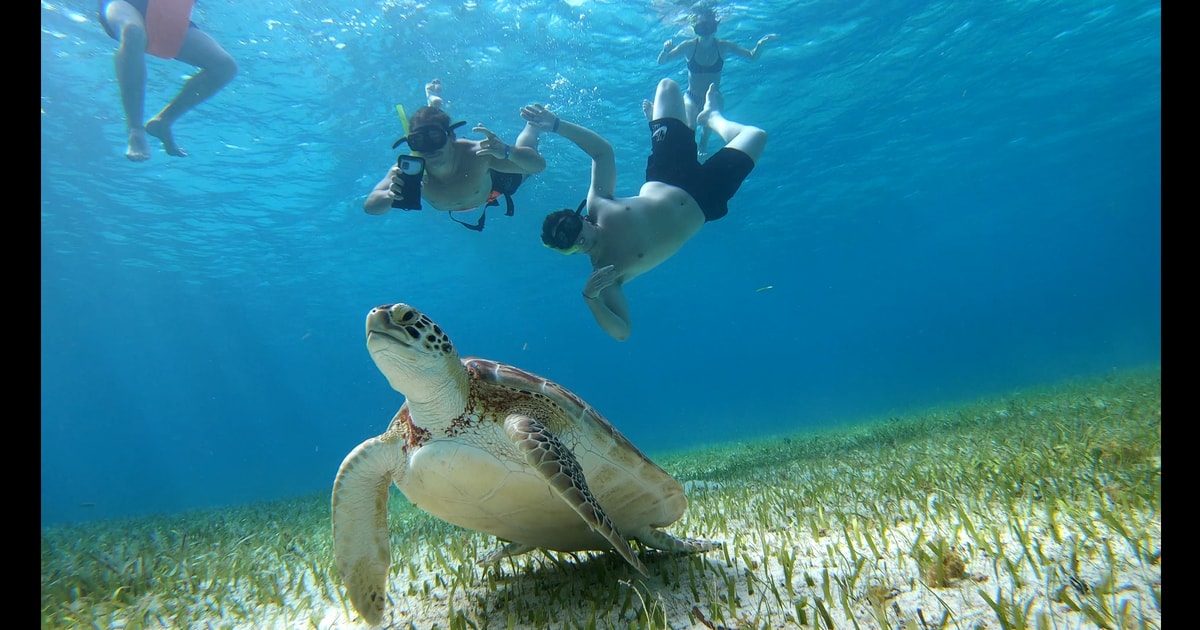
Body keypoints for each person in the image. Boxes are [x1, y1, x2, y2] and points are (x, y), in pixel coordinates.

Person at [522, 78, 767, 341]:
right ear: (567, 251)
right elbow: (622, 331)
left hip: (668, 171)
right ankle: (711, 117)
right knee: (756, 135)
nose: (576, 238)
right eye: (566, 243)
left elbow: (602, 152)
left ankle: (697, 121)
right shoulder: (606, 274)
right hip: (705, 200)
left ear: (579, 217)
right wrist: (590, 298)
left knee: (667, 87)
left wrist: (557, 125)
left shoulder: (598, 205)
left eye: (570, 226)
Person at [364, 80, 547, 231]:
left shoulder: (479, 155)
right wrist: (390, 195)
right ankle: (434, 107)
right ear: (411, 144)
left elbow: (537, 166)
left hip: (493, 186)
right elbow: (371, 206)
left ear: (451, 136)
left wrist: (508, 151)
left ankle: (533, 124)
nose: (429, 149)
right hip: (474, 194)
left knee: (526, 156)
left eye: (435, 138)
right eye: (419, 141)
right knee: (430, 124)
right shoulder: (408, 171)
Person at [97, 0, 238, 162]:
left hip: (167, 14)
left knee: (225, 67)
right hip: (125, 4)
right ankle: (135, 129)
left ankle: (163, 121)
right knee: (133, 32)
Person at [656, 6, 776, 154]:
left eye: (709, 27)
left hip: (713, 97)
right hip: (691, 96)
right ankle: (684, 152)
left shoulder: (724, 46)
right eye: (701, 28)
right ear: (694, 28)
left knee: (705, 138)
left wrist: (760, 45)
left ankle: (702, 148)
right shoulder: (689, 46)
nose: (706, 32)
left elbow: (751, 57)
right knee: (690, 127)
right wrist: (665, 50)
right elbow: (662, 61)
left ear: (715, 26)